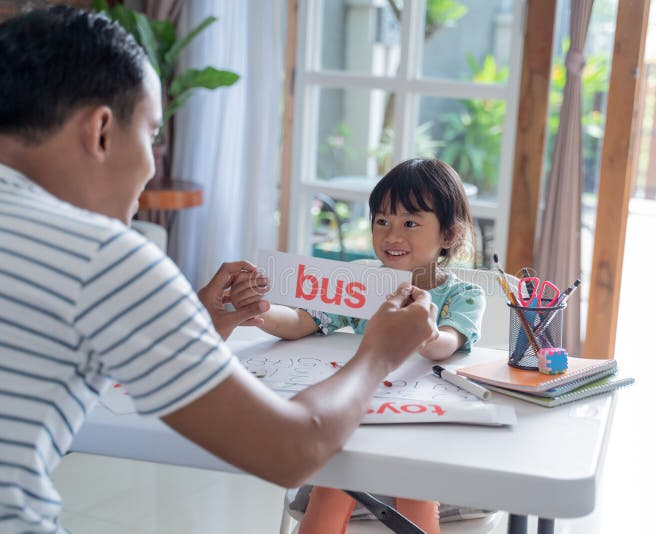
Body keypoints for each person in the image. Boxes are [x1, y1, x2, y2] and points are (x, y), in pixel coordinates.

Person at [0, 7, 437, 534]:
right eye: (152, 133)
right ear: (101, 130)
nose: (150, 165)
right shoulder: (103, 256)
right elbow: (289, 449)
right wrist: (378, 353)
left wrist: (202, 323)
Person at [229, 158, 486, 534]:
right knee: (337, 477)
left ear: (449, 234)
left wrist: (426, 334)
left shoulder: (462, 295)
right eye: (382, 221)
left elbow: (448, 343)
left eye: (410, 223)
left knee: (414, 487)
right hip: (357, 419)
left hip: (419, 428)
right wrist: (260, 313)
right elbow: (305, 320)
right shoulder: (362, 280)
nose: (392, 235)